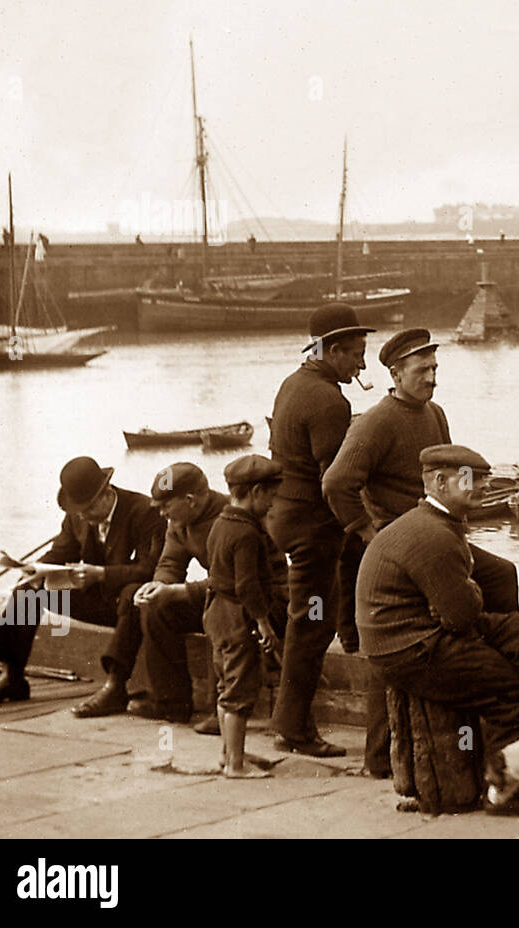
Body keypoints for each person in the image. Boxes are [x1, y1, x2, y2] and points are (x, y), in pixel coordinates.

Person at [323, 327, 519, 777]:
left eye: (435, 369)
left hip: (436, 536)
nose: (432, 378)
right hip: (400, 546)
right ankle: (380, 756)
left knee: (500, 574)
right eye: (422, 370)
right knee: (393, 641)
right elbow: (336, 483)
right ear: (395, 373)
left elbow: (450, 473)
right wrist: (368, 531)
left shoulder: (435, 413)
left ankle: (485, 654)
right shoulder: (375, 422)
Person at [357, 444, 519, 808]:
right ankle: (509, 792)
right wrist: (466, 593)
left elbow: (458, 606)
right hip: (410, 649)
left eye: (485, 479)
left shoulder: (430, 523)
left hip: (409, 635)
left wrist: (465, 594)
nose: (484, 487)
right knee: (511, 694)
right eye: (472, 479)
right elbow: (462, 616)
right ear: (440, 482)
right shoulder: (435, 535)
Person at [0, 457, 164, 715]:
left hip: (130, 606)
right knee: (29, 592)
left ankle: (116, 686)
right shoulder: (77, 517)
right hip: (96, 603)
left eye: (88, 509)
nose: (82, 515)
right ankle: (12, 677)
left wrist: (102, 574)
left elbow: (149, 569)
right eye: (78, 510)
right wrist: (32, 570)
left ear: (107, 494)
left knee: (132, 593)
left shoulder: (144, 511)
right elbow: (60, 551)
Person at [266, 302, 373, 758]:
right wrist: (363, 525)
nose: (363, 364)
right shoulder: (331, 400)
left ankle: (351, 636)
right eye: (355, 353)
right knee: (310, 627)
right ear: (330, 351)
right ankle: (294, 729)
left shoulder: (294, 383)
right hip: (312, 529)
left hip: (283, 516)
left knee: (323, 603)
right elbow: (335, 481)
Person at [203, 455, 287, 778]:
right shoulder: (248, 534)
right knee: (240, 691)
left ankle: (228, 755)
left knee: (226, 685)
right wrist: (263, 622)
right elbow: (247, 586)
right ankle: (236, 766)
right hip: (238, 618)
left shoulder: (220, 523)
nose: (271, 504)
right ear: (254, 492)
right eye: (270, 496)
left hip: (216, 613)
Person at [129, 463, 230, 728]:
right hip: (213, 592)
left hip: (243, 596)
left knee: (223, 611)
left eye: (166, 507)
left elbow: (230, 581)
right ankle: (173, 704)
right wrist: (158, 586)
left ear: (190, 500)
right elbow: (170, 563)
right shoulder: (178, 521)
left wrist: (179, 591)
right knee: (156, 608)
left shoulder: (231, 517)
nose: (162, 515)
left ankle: (224, 708)